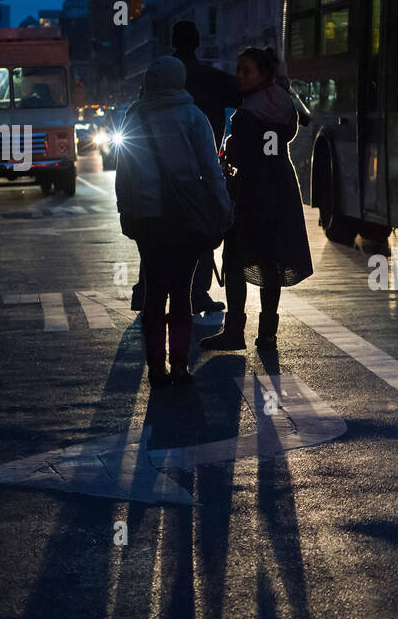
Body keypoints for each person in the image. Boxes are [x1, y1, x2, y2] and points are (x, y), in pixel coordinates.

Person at [115, 56, 229, 387]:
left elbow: (124, 173)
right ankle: (180, 366)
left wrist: (125, 210)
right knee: (182, 292)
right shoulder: (194, 117)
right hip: (185, 215)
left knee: (153, 292)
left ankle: (155, 369)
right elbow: (211, 170)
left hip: (148, 217)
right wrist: (222, 208)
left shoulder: (135, 115)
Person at [200, 46, 313, 352]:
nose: (239, 76)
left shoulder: (250, 111)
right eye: (238, 69)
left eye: (245, 70)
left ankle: (235, 330)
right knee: (270, 259)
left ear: (264, 74)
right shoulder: (284, 104)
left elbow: (237, 152)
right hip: (281, 184)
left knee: (234, 259)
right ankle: (268, 334)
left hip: (252, 188)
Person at [172, 20, 240, 315]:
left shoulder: (159, 79)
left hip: (165, 173)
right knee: (201, 232)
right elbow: (243, 98)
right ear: (197, 43)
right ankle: (197, 292)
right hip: (201, 168)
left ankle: (147, 290)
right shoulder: (212, 78)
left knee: (161, 234)